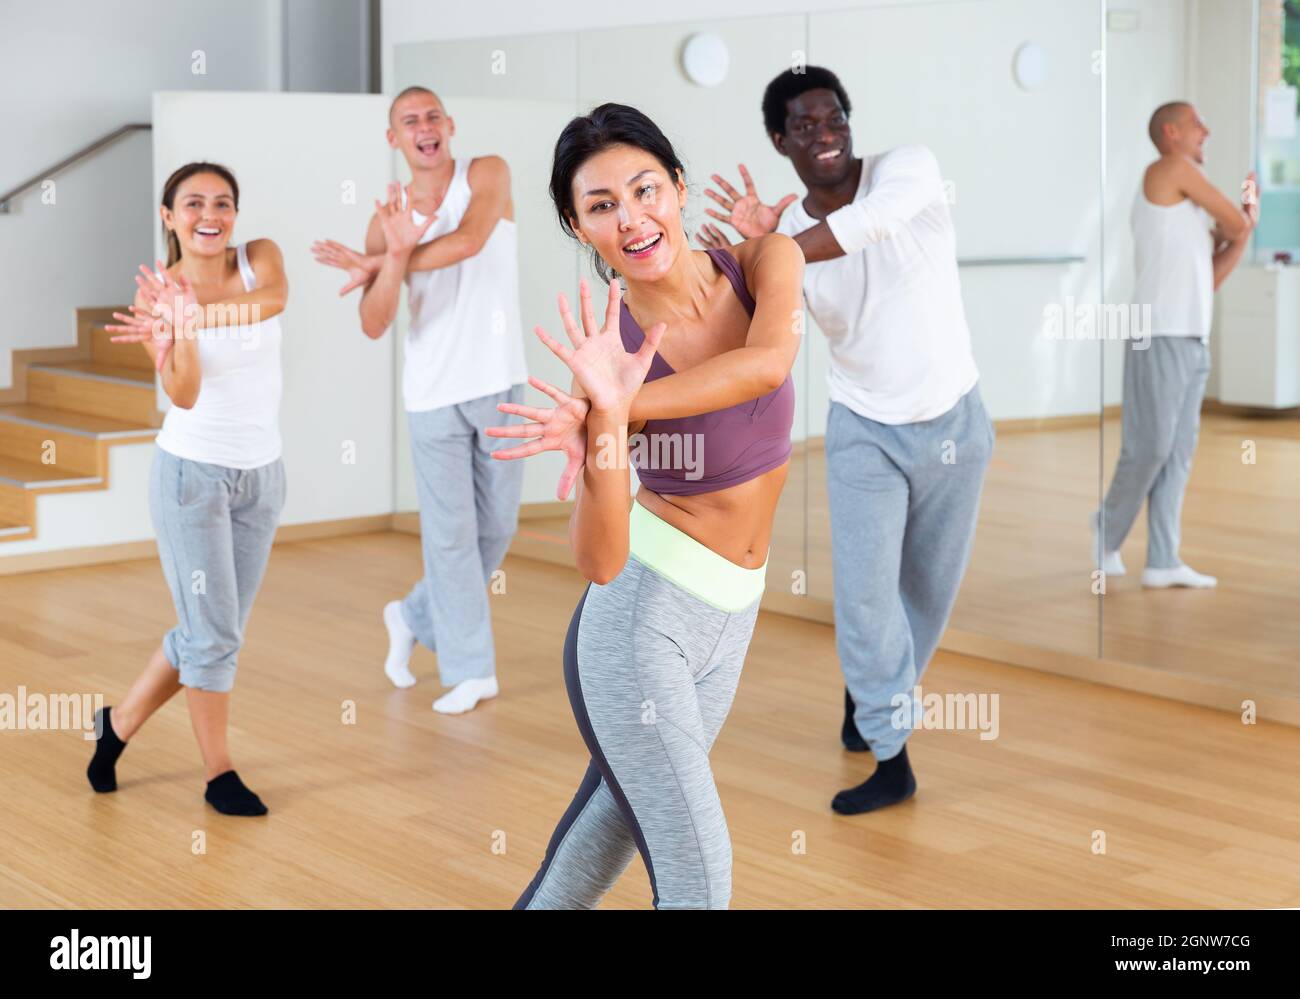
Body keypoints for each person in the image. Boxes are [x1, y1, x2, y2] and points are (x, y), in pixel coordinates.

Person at [489, 103, 802, 909]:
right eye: (601, 205)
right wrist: (603, 425)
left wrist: (627, 409)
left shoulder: (767, 259)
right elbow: (600, 561)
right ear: (577, 225)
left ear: (680, 188)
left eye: (644, 188)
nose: (631, 218)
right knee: (699, 875)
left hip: (733, 618)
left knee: (599, 843)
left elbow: (766, 364)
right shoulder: (610, 361)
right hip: (641, 625)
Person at [699, 66, 993, 815]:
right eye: (805, 125)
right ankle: (892, 755)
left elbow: (867, 227)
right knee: (864, 597)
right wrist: (747, 263)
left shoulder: (908, 170)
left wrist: (772, 248)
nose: (825, 134)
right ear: (780, 139)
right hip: (863, 428)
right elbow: (759, 331)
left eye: (834, 119)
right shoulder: (784, 236)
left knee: (925, 592)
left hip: (956, 421)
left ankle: (872, 693)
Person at [312, 86, 528, 714]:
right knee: (451, 538)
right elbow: (374, 323)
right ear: (394, 139)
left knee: (498, 529)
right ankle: (470, 670)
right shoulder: (385, 218)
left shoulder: (486, 172)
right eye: (410, 121)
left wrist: (390, 260)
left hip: (498, 379)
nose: (424, 127)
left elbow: (470, 239)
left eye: (432, 116)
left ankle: (410, 615)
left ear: (450, 125)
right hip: (432, 393)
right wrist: (388, 253)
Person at [89, 161, 288, 816]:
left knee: (213, 628)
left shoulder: (259, 259)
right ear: (169, 216)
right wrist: (175, 327)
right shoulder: (156, 293)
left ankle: (115, 726)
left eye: (223, 202)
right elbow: (184, 392)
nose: (211, 214)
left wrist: (195, 316)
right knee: (213, 635)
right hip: (191, 478)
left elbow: (274, 301)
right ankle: (218, 773)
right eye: (194, 203)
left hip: (263, 475)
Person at [1092, 101, 1257, 589]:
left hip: (1190, 335)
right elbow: (1234, 220)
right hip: (1156, 331)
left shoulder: (1183, 210)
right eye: (1195, 124)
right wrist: (1244, 219)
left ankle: (1163, 559)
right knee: (1151, 446)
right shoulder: (1167, 169)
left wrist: (1243, 235)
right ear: (1171, 132)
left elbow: (1210, 277)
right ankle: (1105, 529)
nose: (1206, 130)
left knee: (1179, 450)